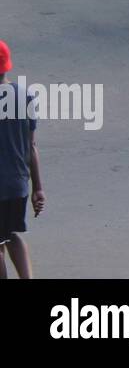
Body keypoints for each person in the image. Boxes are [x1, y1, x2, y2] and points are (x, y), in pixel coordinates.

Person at [0, 41, 44, 280]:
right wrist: (38, 188)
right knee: (11, 234)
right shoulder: (24, 95)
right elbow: (32, 146)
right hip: (18, 186)